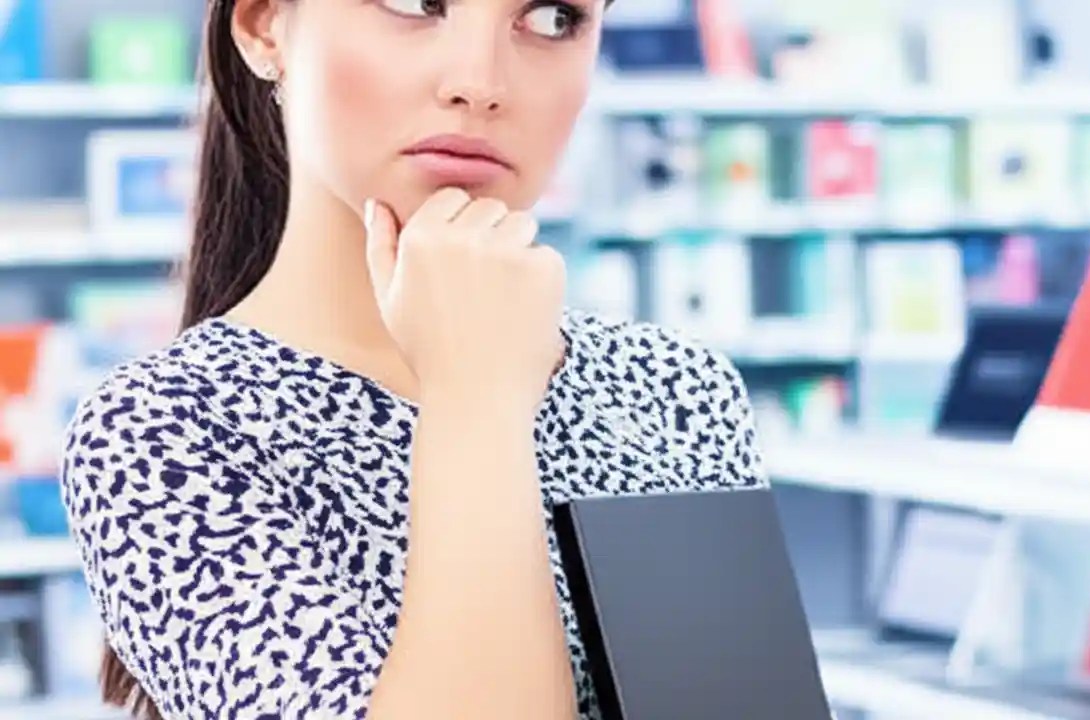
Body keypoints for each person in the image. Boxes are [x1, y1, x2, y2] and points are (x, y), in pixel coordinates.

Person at [58, 0, 766, 718]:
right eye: (414, 3)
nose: (480, 80)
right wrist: (476, 394)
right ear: (265, 23)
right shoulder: (167, 432)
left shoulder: (671, 387)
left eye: (553, 19)